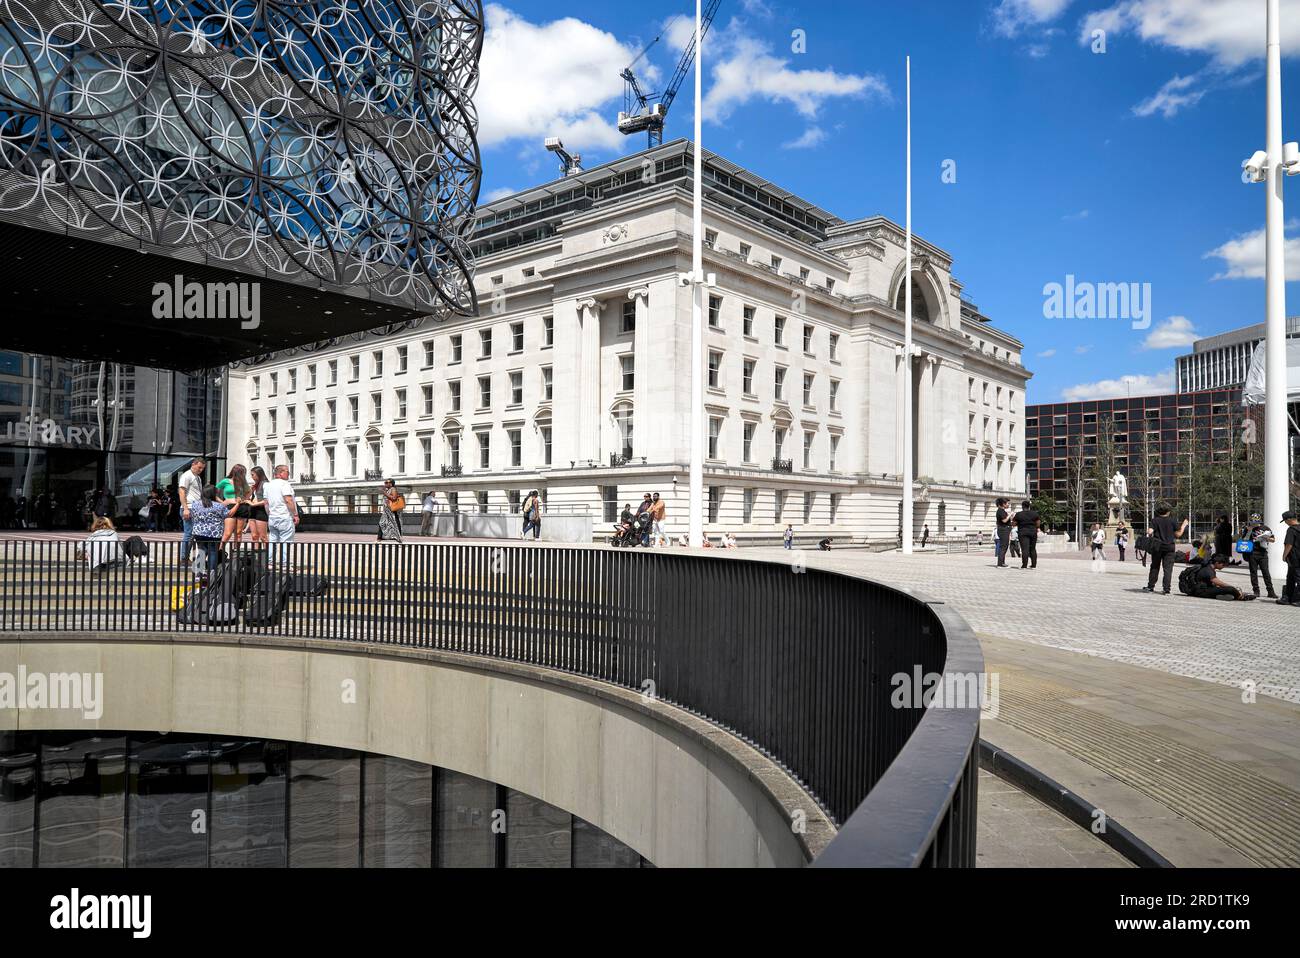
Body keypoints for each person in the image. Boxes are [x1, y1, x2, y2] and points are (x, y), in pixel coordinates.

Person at [1143, 504, 1188, 595]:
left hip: (1157, 547)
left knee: (1155, 566)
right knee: (1168, 569)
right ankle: (1166, 589)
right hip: (1169, 547)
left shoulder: (1155, 520)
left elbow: (1149, 531)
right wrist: (1183, 526)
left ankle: (1151, 587)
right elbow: (1178, 535)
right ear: (1168, 512)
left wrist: (1152, 530)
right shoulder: (1172, 521)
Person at [189, 484, 229, 574]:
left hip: (199, 532)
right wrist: (237, 504)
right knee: (213, 551)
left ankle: (198, 572)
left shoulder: (195, 504)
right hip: (214, 533)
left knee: (202, 551)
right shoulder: (219, 506)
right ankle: (211, 572)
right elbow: (228, 514)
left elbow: (192, 515)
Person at [263, 464, 299, 562]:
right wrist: (295, 514)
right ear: (281, 473)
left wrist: (269, 514)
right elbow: (288, 500)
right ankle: (285, 563)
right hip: (284, 516)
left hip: (272, 517)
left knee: (272, 540)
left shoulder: (268, 485)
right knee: (286, 541)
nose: (289, 474)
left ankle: (270, 562)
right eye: (287, 472)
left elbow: (266, 502)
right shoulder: (285, 484)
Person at [177, 458, 206, 565]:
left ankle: (199, 559)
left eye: (202, 468)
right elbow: (182, 492)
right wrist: (185, 508)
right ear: (193, 464)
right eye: (199, 467)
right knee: (189, 534)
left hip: (197, 508)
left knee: (199, 534)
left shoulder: (197, 477)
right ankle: (184, 558)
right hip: (189, 507)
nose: (201, 470)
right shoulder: (186, 475)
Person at [217, 465, 253, 548]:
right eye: (242, 473)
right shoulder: (225, 481)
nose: (243, 475)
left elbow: (249, 492)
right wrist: (223, 502)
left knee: (239, 533)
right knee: (228, 533)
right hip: (229, 507)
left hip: (242, 507)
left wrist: (243, 499)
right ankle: (219, 552)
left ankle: (235, 555)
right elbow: (213, 492)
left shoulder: (243, 482)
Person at [1243, 514, 1278, 600]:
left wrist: (1266, 538)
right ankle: (1256, 591)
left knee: (1266, 572)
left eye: (1257, 522)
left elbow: (1273, 539)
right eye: (1253, 521)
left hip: (1263, 553)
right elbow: (1244, 540)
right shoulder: (1247, 528)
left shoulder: (1265, 528)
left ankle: (1271, 591)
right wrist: (1249, 531)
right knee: (1253, 572)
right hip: (1252, 553)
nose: (1255, 524)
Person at [1012, 499, 1040, 569]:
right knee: (1033, 549)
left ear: (1022, 506)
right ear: (1029, 506)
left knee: (1025, 549)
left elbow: (1013, 524)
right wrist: (1035, 527)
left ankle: (1024, 565)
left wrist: (1017, 521)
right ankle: (1033, 565)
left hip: (1023, 532)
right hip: (1033, 532)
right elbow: (1038, 523)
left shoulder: (1019, 514)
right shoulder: (1035, 513)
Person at [246, 466, 270, 543]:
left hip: (261, 510)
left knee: (263, 537)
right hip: (252, 511)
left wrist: (254, 504)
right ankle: (256, 553)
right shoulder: (255, 485)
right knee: (254, 536)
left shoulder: (265, 484)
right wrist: (251, 490)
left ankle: (266, 554)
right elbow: (247, 497)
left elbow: (267, 500)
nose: (252, 477)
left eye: (253, 475)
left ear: (258, 474)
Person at [1281, 511, 1300, 605]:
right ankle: (1288, 598)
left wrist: (1284, 556)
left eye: (1285, 520)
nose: (1285, 522)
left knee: (1296, 578)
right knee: (1291, 578)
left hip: (1294, 558)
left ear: (1289, 519)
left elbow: (1289, 544)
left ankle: (1293, 599)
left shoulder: (1291, 530)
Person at [994, 498, 1011, 567]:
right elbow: (1004, 520)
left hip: (1004, 530)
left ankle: (1002, 562)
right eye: (1008, 503)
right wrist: (1010, 515)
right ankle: (1000, 563)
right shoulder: (1000, 511)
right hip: (1003, 530)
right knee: (1003, 547)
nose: (1008, 505)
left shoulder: (1002, 511)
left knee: (1005, 546)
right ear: (1003, 504)